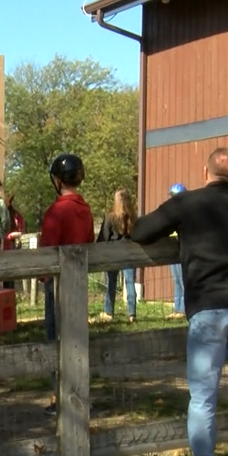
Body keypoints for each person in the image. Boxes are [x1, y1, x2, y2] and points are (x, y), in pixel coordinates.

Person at [130, 147, 228, 456]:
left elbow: (142, 231)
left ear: (206, 174)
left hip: (207, 306)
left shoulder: (187, 203)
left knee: (203, 397)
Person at [39, 153, 94, 416]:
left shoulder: (56, 211)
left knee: (55, 339)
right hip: (80, 283)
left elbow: (47, 249)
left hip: (58, 284)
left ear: (58, 180)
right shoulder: (85, 209)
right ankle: (80, 394)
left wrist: (43, 277)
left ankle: (60, 398)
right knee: (77, 338)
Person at [96, 187, 138, 323]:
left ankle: (109, 312)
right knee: (130, 282)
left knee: (111, 283)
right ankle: (132, 314)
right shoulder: (133, 217)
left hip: (113, 253)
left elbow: (105, 236)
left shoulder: (110, 217)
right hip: (130, 252)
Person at [168, 183, 187, 318]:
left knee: (182, 279)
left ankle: (183, 309)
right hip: (172, 248)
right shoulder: (171, 211)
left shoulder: (185, 212)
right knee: (176, 280)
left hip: (182, 248)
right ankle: (176, 308)